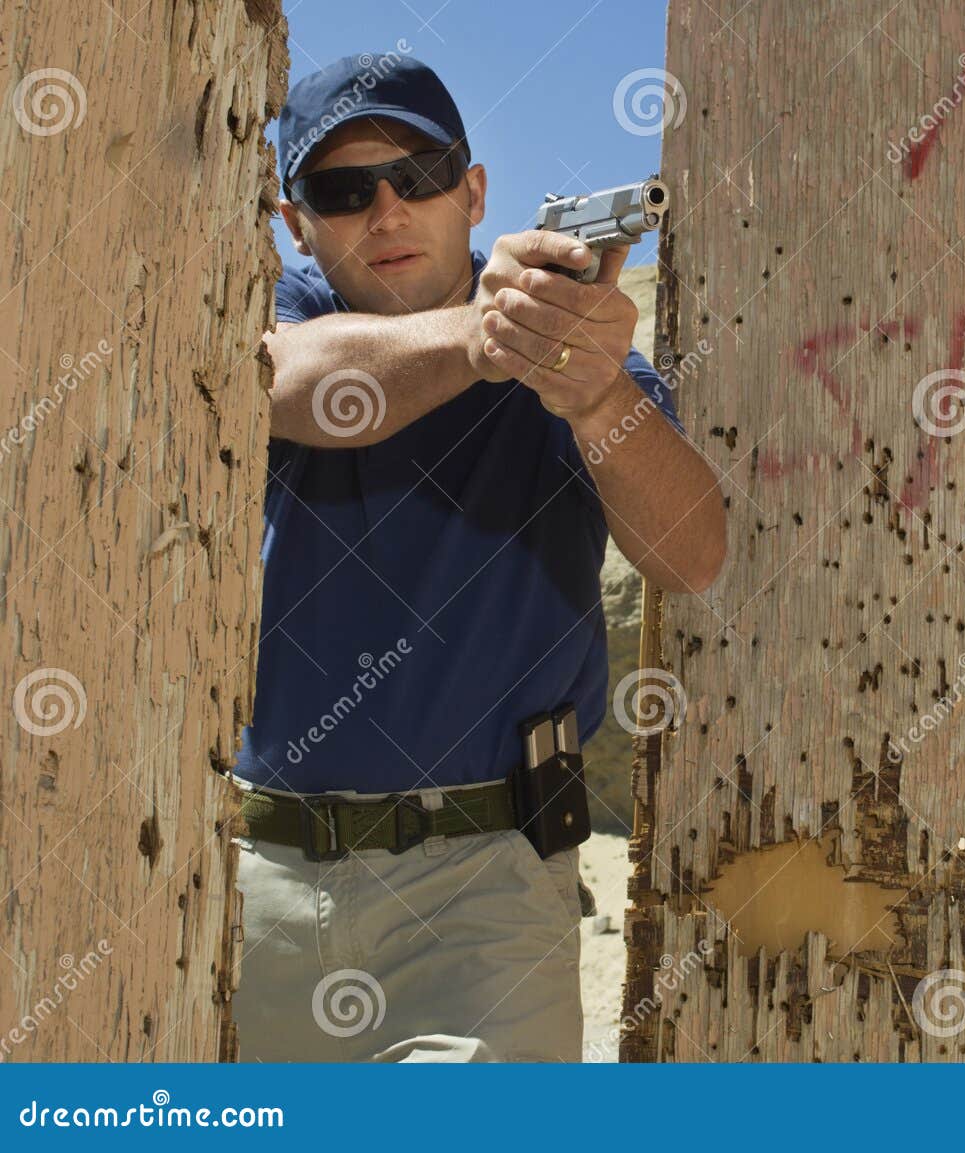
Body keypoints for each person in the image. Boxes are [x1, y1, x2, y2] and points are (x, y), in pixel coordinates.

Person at [227, 53, 726, 1062]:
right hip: (257, 879)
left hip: (484, 890)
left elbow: (693, 555)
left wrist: (592, 397)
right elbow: (290, 382)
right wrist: (487, 341)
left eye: (417, 176)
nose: (386, 209)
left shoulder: (585, 361)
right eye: (342, 189)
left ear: (474, 191)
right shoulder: (279, 319)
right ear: (295, 224)